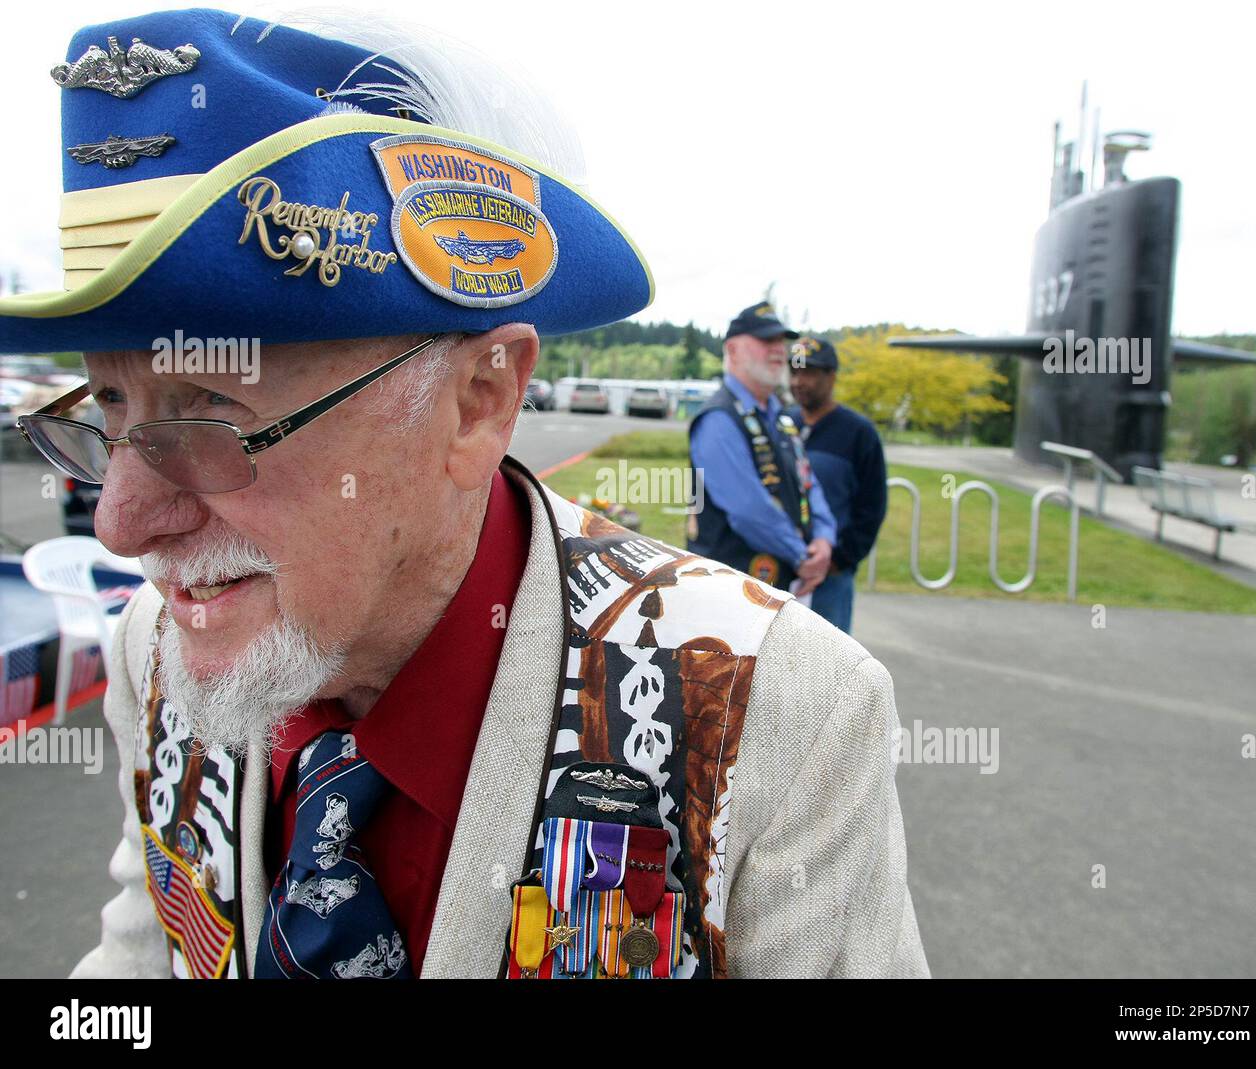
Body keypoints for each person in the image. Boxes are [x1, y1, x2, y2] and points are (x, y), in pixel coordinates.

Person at [7, 8, 927, 980]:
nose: (120, 521)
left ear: (477, 399)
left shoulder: (778, 712)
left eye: (209, 420)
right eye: (109, 408)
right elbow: (145, 954)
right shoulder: (155, 645)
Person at [687, 303, 838, 595]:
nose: (779, 350)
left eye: (781, 341)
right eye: (766, 340)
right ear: (732, 350)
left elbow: (807, 481)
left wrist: (824, 536)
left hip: (780, 586)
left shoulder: (780, 416)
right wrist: (802, 556)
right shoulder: (719, 418)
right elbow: (748, 508)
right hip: (730, 593)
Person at [789, 336, 889, 633]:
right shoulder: (782, 422)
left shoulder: (859, 433)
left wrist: (839, 561)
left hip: (831, 578)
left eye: (808, 372)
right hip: (779, 568)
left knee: (830, 668)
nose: (798, 381)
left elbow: (872, 507)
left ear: (831, 377)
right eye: (793, 372)